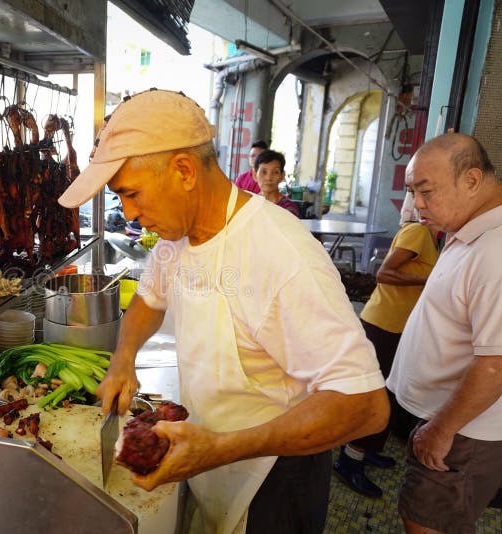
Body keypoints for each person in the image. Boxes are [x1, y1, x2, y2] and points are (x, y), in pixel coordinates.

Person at [58, 89, 388, 533]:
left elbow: (365, 406)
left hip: (274, 477)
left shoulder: (282, 254)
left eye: (131, 194)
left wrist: (224, 448)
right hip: (211, 455)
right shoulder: (176, 240)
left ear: (184, 170)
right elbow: (147, 302)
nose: (130, 214)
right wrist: (122, 360)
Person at [386, 133, 502, 534]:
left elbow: (495, 365)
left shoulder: (496, 249)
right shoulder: (469, 232)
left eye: (425, 190)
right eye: (412, 191)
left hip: (462, 434)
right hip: (447, 424)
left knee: (429, 523)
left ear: (471, 180)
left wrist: (441, 429)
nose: (417, 204)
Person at [334, 206, 440, 498]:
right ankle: (348, 460)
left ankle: (365, 450)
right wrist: (430, 279)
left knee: (387, 393)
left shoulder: (432, 238)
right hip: (384, 325)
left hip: (396, 325)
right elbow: (385, 273)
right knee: (376, 394)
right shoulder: (418, 232)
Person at [253, 150, 299, 217]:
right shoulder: (249, 205)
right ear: (254, 175)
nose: (269, 178)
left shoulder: (288, 209)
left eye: (275, 172)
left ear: (282, 176)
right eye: (264, 172)